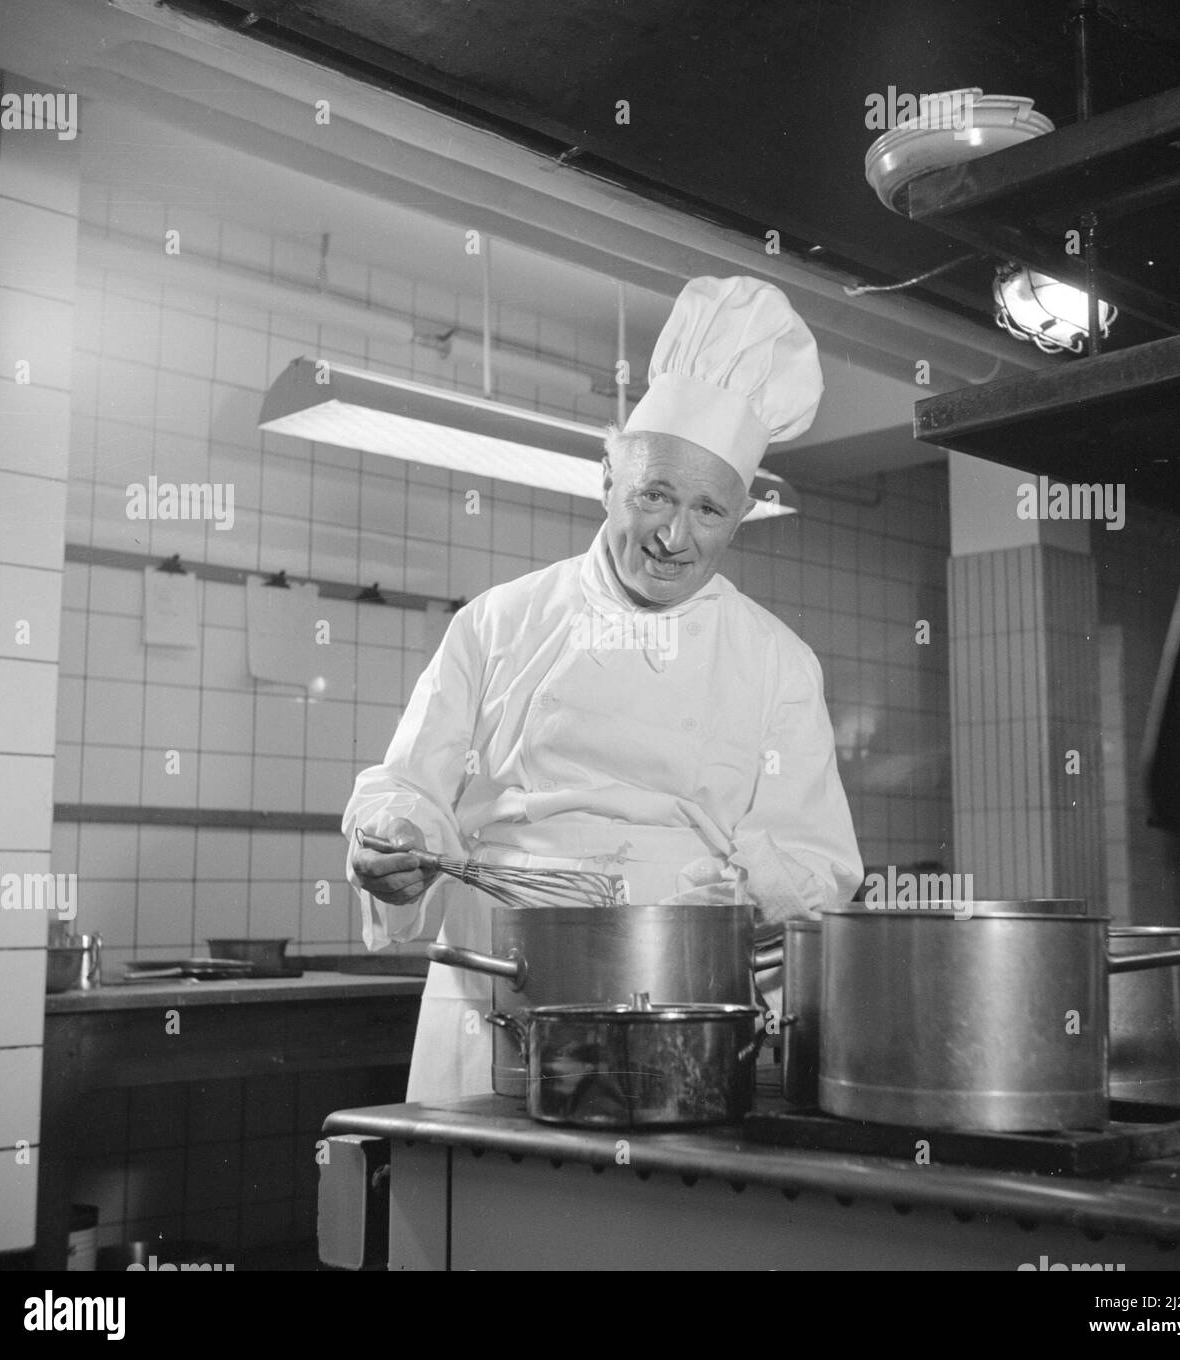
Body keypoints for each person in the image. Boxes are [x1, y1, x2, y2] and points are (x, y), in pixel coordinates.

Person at [343, 275, 864, 1102]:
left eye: (708, 511)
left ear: (740, 516)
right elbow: (411, 790)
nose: (674, 536)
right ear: (607, 480)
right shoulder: (498, 622)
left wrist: (761, 892)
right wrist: (392, 846)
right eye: (654, 494)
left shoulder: (777, 661)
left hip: (680, 1000)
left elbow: (818, 864)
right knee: (472, 1213)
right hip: (496, 984)